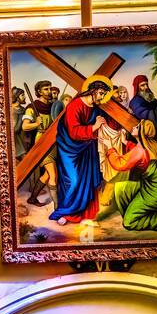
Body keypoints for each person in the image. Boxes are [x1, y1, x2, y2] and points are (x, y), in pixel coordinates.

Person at [49, 75, 114, 224]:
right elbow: (73, 131)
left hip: (88, 149)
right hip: (70, 150)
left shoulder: (97, 110)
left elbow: (106, 124)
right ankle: (66, 213)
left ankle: (85, 214)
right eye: (101, 93)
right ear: (93, 91)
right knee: (74, 180)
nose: (102, 97)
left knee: (89, 180)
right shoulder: (75, 105)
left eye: (104, 94)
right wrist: (94, 127)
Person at [105, 120, 157, 232]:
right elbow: (140, 154)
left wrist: (110, 149)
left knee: (129, 222)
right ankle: (135, 211)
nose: (134, 127)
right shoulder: (148, 145)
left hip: (156, 192)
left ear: (141, 132)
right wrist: (125, 142)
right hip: (154, 186)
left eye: (137, 127)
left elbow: (120, 164)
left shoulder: (140, 150)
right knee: (121, 189)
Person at [129, 75, 157, 148]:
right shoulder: (135, 102)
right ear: (137, 87)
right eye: (142, 85)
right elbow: (149, 117)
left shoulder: (150, 98)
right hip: (149, 137)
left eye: (146, 84)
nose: (146, 87)